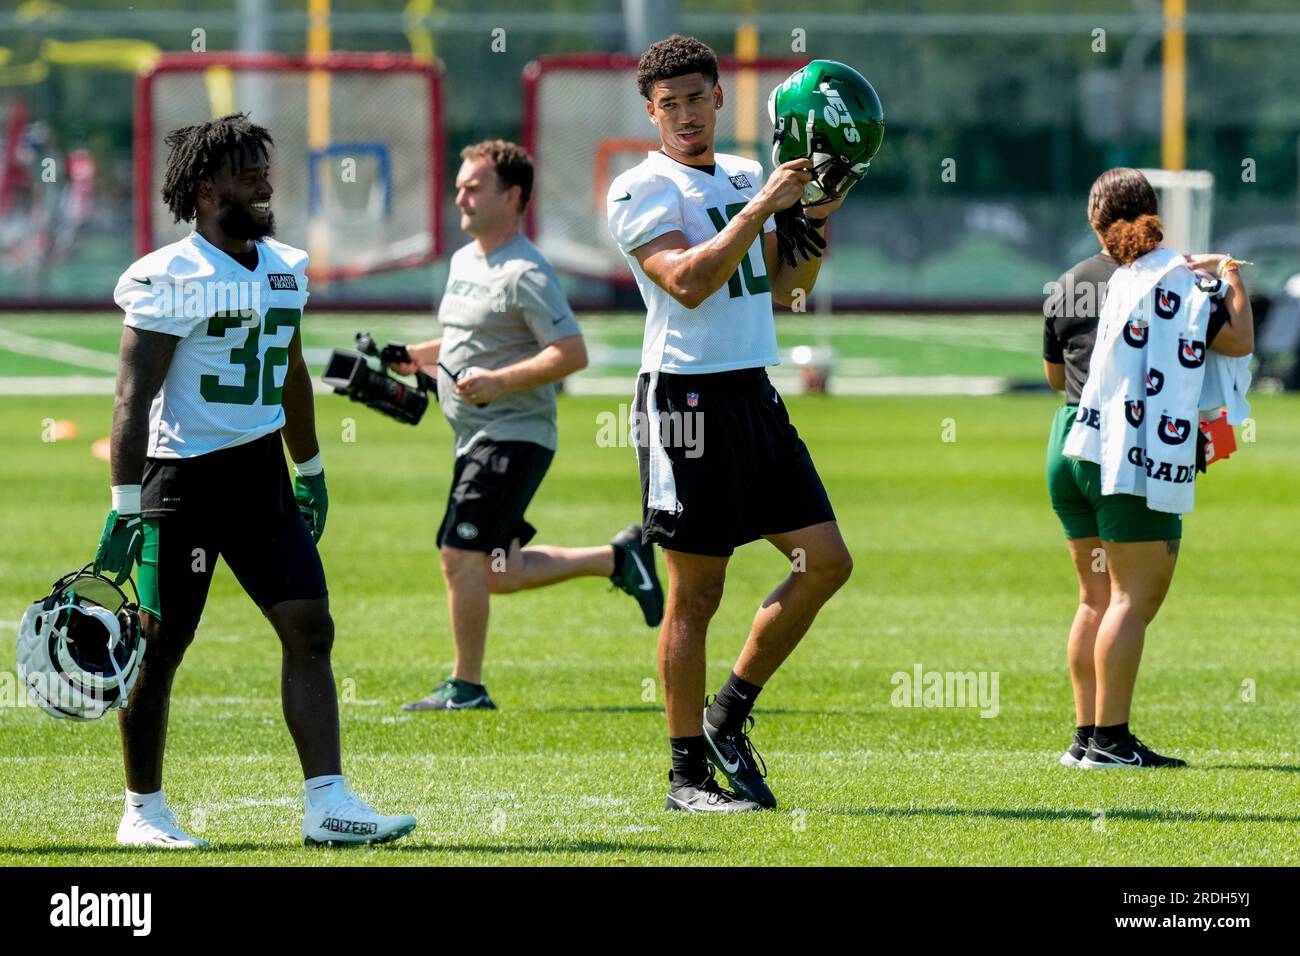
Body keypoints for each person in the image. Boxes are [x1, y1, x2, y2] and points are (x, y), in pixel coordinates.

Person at [96, 114, 416, 846]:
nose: (264, 184)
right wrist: (124, 508)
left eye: (264, 171)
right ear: (206, 188)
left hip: (260, 477)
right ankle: (142, 811)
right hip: (181, 483)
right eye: (246, 173)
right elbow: (130, 398)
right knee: (160, 643)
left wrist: (309, 469)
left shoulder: (285, 267)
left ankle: (327, 803)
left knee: (310, 627)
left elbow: (295, 371)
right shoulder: (167, 276)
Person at [606, 39, 873, 811]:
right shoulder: (641, 187)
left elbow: (788, 287)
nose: (685, 114)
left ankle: (730, 712)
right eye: (669, 104)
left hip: (753, 392)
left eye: (696, 98)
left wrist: (819, 212)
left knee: (824, 562)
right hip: (684, 402)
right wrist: (763, 208)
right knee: (698, 593)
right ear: (650, 111)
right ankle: (685, 774)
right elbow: (686, 282)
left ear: (720, 97)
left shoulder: (750, 171)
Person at [392, 140, 664, 712]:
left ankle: (465, 688)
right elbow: (476, 339)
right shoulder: (466, 260)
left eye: (474, 187)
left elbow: (569, 351)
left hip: (511, 437)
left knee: (458, 556)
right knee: (496, 570)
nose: (460, 196)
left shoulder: (526, 270)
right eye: (460, 185)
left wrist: (499, 381)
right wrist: (419, 357)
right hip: (476, 439)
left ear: (511, 196)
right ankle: (617, 558)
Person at [1043, 167, 1254, 769]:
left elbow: (1057, 377)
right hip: (1129, 448)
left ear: (1094, 221)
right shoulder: (1176, 279)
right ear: (1152, 210)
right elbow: (1237, 341)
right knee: (1132, 601)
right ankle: (1111, 741)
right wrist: (1232, 278)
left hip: (1067, 441)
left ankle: (1086, 737)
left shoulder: (1068, 283)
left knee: (1094, 598)